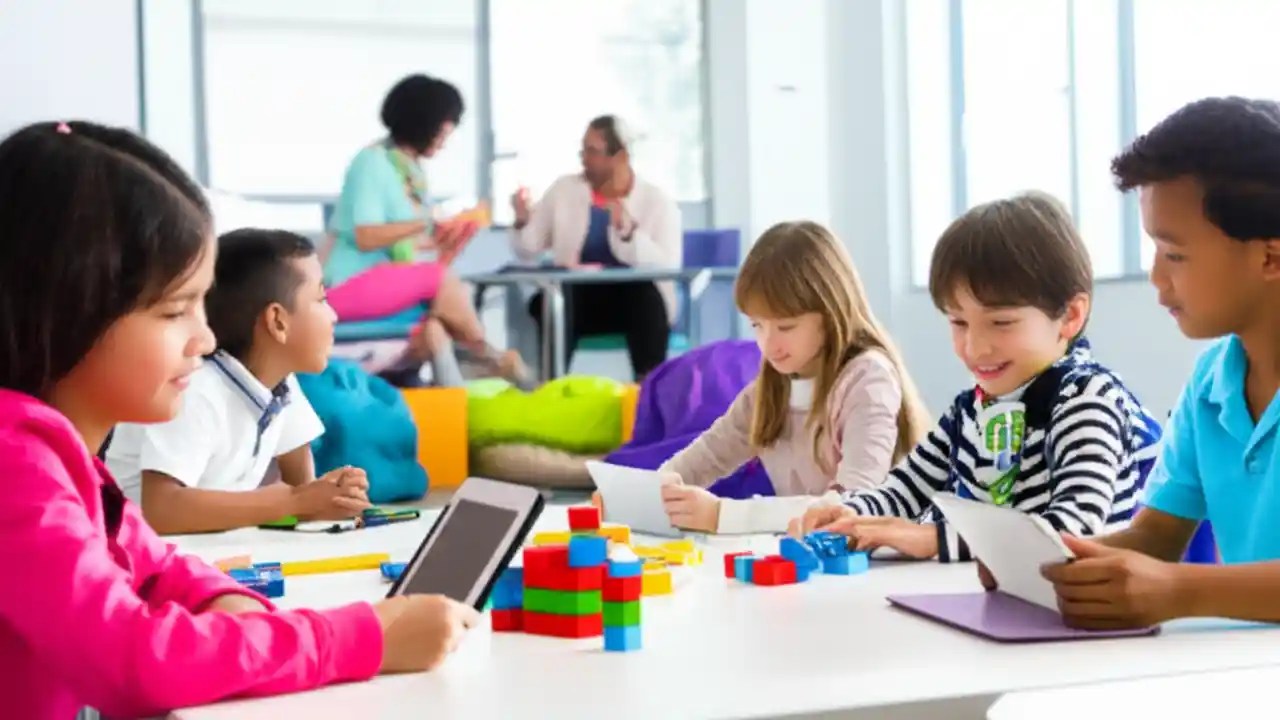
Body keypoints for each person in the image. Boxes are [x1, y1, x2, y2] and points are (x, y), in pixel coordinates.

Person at [0, 121, 477, 719]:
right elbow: (134, 662)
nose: (204, 337)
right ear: (68, 310)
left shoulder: (62, 458)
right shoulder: (14, 463)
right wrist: (363, 638)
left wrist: (229, 605)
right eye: (176, 311)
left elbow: (156, 565)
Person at [793, 192, 1163, 561]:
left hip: (1070, 610)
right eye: (958, 322)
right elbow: (903, 491)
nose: (975, 347)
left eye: (1001, 323)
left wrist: (937, 540)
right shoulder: (969, 410)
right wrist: (850, 514)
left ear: (1070, 317)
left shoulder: (1087, 401)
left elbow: (1074, 531)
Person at [1042, 97, 1280, 628]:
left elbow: (1175, 579)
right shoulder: (1211, 382)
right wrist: (1054, 564)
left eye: (1174, 254)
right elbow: (1156, 537)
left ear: (1270, 257)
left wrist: (1184, 590)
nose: (1155, 278)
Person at [653, 221, 930, 533]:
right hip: (818, 560)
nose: (768, 344)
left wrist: (723, 514)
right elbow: (705, 457)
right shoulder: (770, 389)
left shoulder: (868, 380)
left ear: (830, 315)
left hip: (884, 563)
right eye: (757, 325)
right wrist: (644, 497)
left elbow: (852, 505)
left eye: (785, 327)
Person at [106, 228, 372, 534]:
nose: (334, 315)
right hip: (137, 557)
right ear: (278, 322)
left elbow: (303, 488)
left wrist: (332, 495)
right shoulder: (193, 388)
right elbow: (162, 510)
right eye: (321, 298)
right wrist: (294, 503)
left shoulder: (280, 383)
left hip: (204, 551)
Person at [326, 73, 529, 387]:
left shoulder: (411, 171)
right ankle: (491, 357)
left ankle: (459, 399)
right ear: (423, 122)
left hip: (386, 284)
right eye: (445, 125)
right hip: (347, 284)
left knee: (434, 326)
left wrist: (451, 238)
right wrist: (429, 222)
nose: (447, 134)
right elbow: (366, 235)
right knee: (439, 279)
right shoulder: (371, 163)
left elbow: (413, 249)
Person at [511, 114, 682, 381]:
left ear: (620, 156)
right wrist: (522, 218)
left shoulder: (656, 201)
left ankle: (647, 392)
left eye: (593, 151)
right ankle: (551, 389)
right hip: (579, 299)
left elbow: (669, 266)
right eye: (584, 150)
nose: (584, 159)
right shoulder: (564, 190)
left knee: (645, 296)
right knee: (548, 302)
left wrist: (628, 233)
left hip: (633, 303)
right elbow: (528, 248)